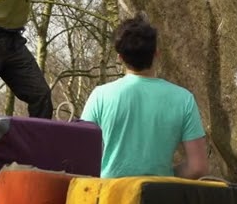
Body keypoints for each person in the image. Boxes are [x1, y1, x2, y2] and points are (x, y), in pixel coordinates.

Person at [81, 16, 208, 179]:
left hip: (110, 198)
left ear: (120, 58)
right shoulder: (184, 99)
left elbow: (82, 159)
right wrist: (166, 176)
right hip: (160, 197)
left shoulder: (100, 96)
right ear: (156, 54)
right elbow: (198, 167)